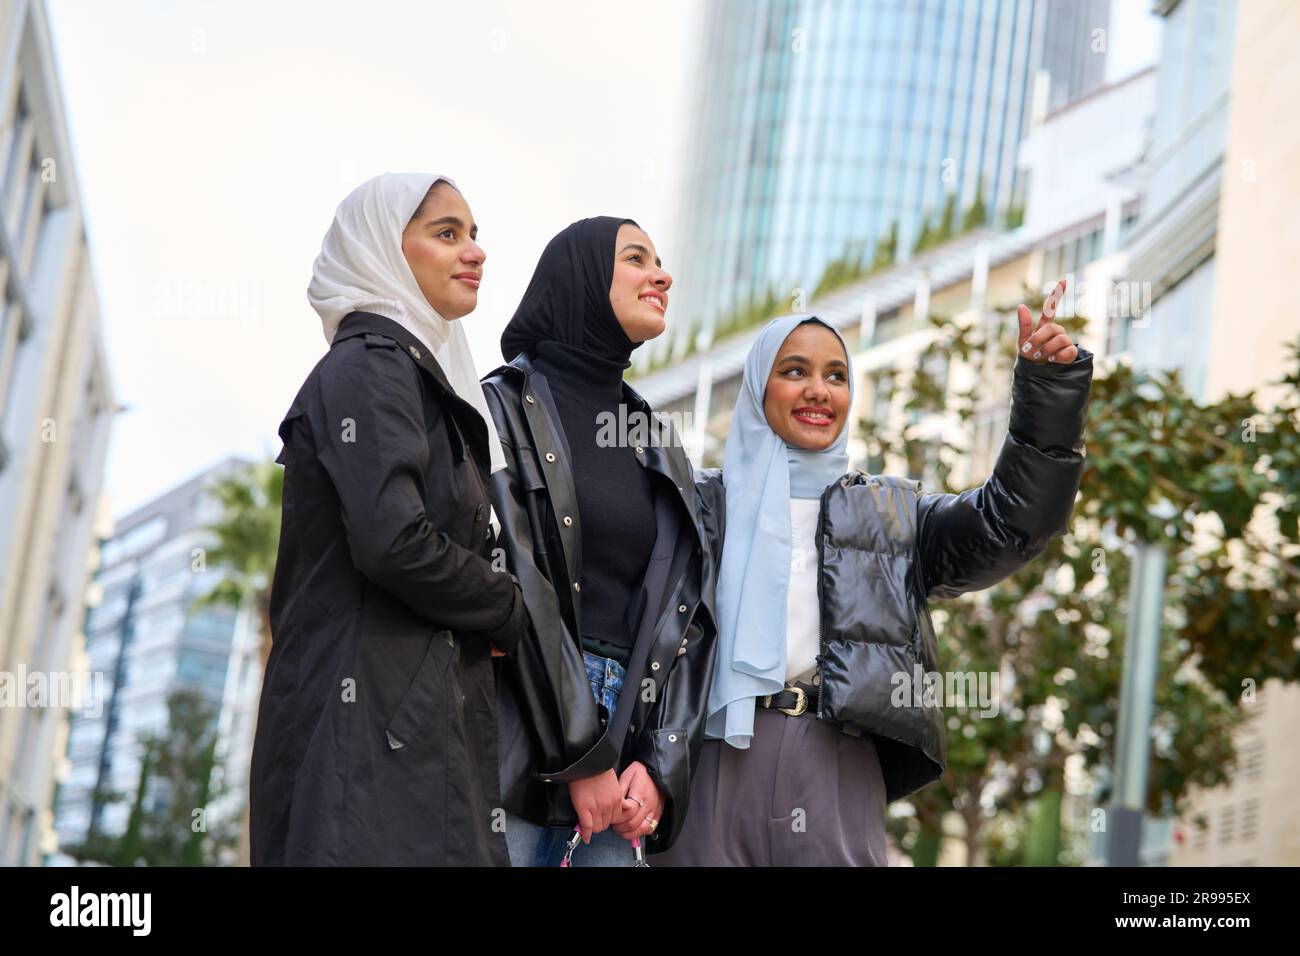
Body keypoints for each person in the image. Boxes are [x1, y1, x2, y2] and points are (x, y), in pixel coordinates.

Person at [654, 279, 1093, 865]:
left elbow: (1011, 522)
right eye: (794, 371)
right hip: (707, 753)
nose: (819, 390)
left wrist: (1047, 391)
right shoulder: (696, 501)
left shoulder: (891, 512)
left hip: (835, 762)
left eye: (837, 376)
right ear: (758, 387)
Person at [249, 172, 528, 866]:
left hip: (402, 738)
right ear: (381, 249)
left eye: (474, 235)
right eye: (446, 233)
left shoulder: (417, 375)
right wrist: (508, 608)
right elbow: (392, 540)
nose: (474, 252)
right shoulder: (374, 365)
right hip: (364, 744)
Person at [480, 216, 724, 866]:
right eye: (637, 259)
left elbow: (692, 617)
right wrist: (579, 751)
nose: (662, 275)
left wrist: (658, 763)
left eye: (661, 261)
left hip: (623, 773)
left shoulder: (657, 442)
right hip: (515, 742)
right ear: (583, 276)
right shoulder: (497, 410)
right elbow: (512, 580)